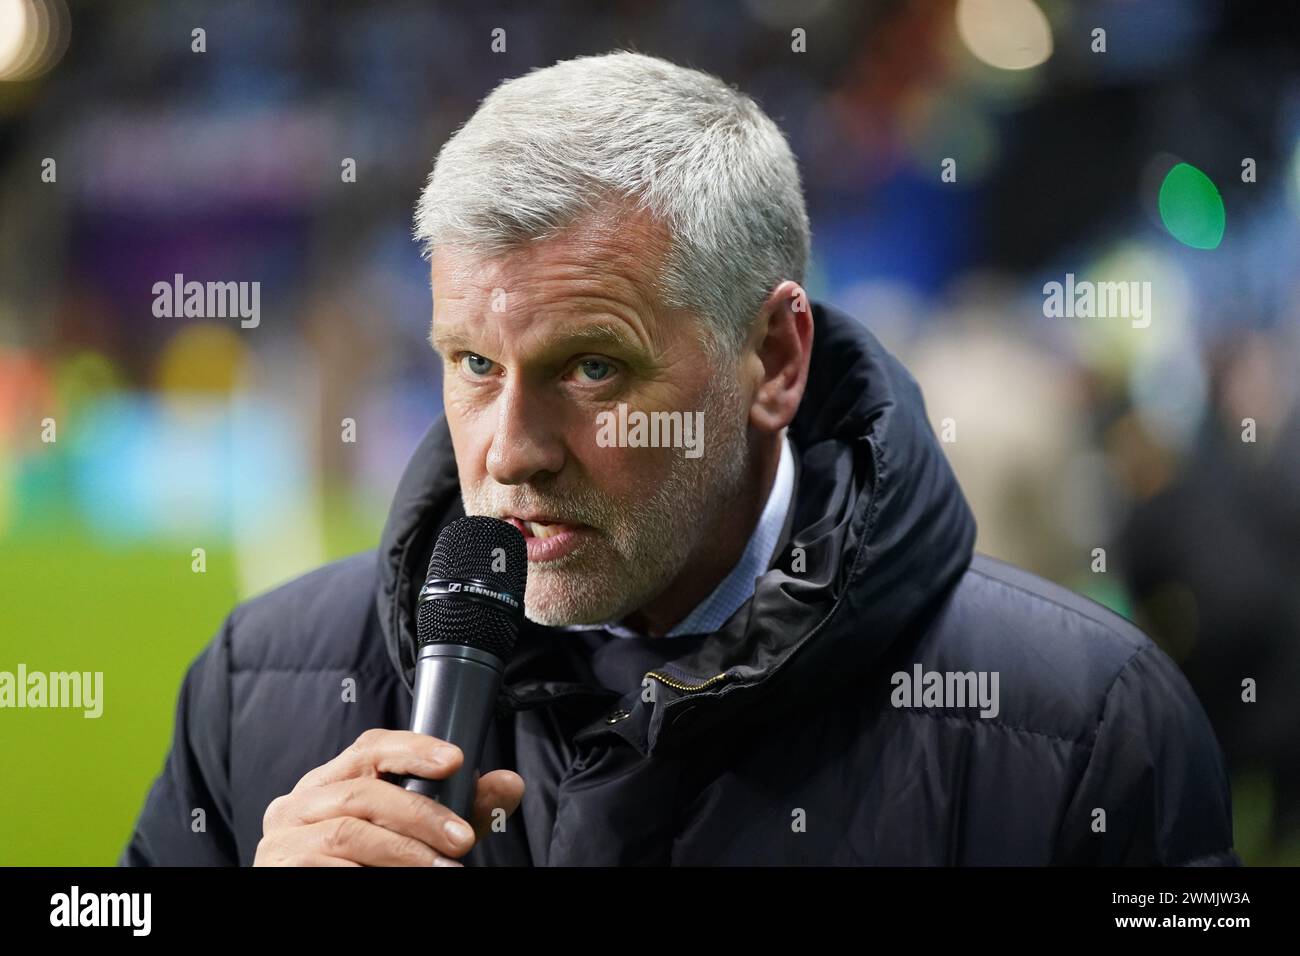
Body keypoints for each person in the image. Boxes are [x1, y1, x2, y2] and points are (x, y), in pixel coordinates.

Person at [120, 51, 1238, 866]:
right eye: (470, 363)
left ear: (773, 357)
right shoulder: (255, 689)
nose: (509, 451)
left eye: (594, 369)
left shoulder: (1085, 727)